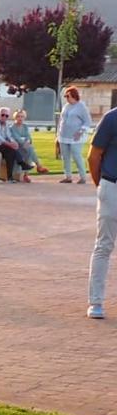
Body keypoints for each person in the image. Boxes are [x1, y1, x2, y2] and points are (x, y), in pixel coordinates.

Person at [85, 105, 117, 319]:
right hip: (112, 185)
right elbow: (93, 156)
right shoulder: (112, 118)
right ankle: (95, 302)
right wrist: (101, 186)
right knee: (104, 245)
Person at [59, 86, 93, 184]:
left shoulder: (81, 106)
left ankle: (83, 177)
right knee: (65, 157)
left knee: (76, 155)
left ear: (74, 96)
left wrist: (81, 131)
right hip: (63, 135)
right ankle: (68, 176)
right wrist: (58, 135)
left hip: (76, 136)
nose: (67, 98)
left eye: (68, 96)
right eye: (66, 96)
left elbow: (87, 121)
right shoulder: (66, 106)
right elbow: (62, 120)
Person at [0, 107, 29, 183]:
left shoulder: (6, 124)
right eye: (2, 115)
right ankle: (21, 163)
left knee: (11, 152)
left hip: (2, 146)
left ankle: (10, 177)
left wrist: (14, 142)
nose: (4, 117)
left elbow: (9, 136)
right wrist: (10, 144)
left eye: (6, 116)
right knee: (10, 149)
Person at [12, 109, 49, 177]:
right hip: (17, 148)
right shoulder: (12, 128)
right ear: (15, 117)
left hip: (25, 147)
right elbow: (17, 138)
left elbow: (28, 137)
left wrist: (27, 141)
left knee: (29, 150)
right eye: (18, 116)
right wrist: (25, 142)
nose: (20, 118)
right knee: (30, 149)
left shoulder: (25, 126)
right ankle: (38, 166)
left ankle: (26, 174)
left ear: (24, 117)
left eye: (22, 116)